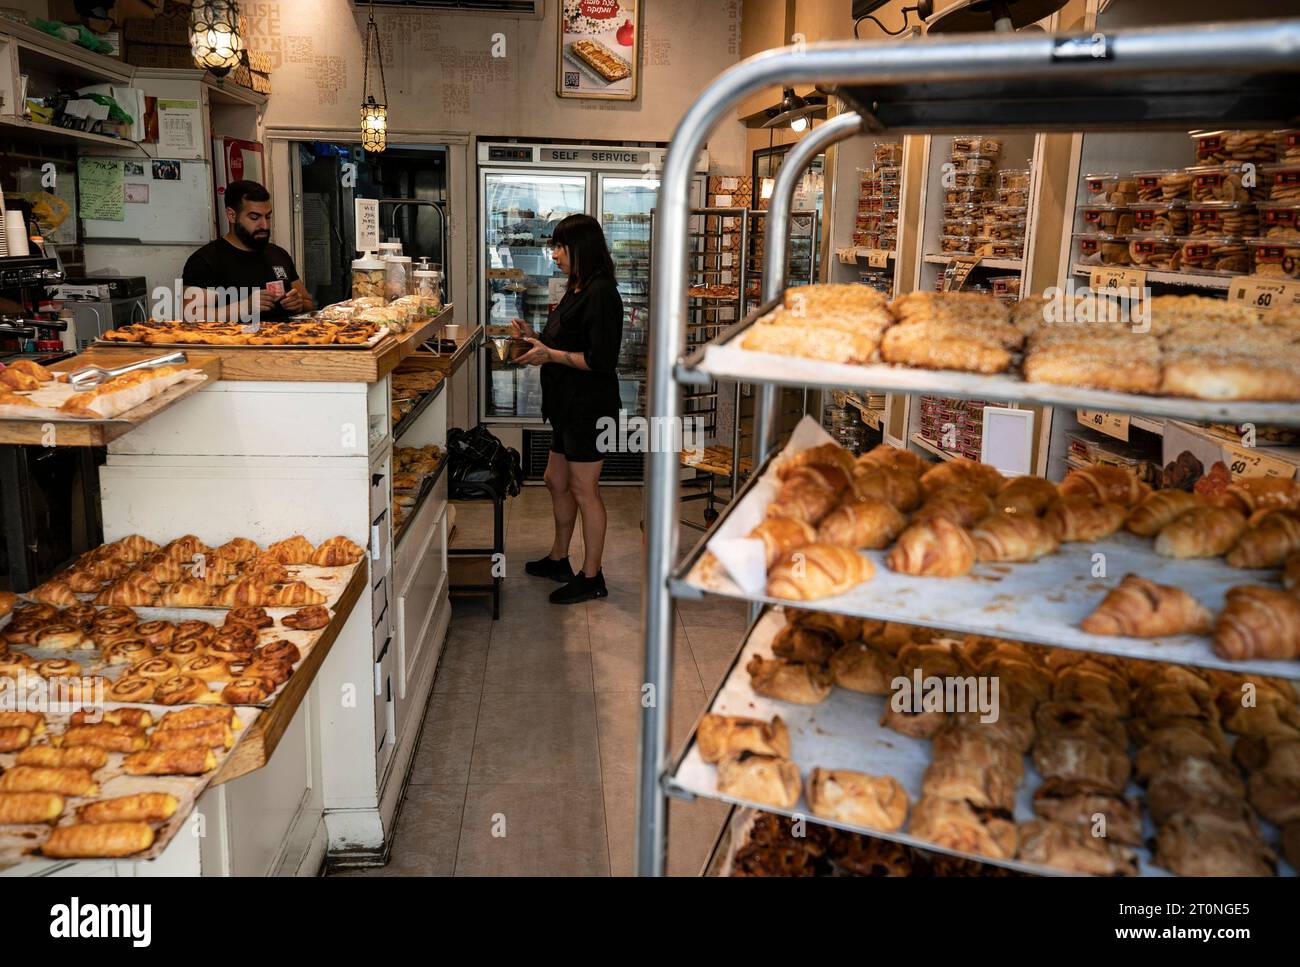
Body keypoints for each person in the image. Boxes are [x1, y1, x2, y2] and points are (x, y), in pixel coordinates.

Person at [512, 213, 623, 605]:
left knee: (583, 488)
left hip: (589, 408)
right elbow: (564, 341)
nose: (553, 253)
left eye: (560, 246)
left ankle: (592, 576)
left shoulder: (602, 293)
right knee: (555, 480)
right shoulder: (579, 288)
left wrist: (549, 355)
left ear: (581, 248)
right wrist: (534, 338)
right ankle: (560, 558)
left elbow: (600, 360)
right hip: (565, 405)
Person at [182, 180, 314, 324]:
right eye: (254, 218)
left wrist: (299, 304)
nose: (264, 225)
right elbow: (191, 314)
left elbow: (309, 303)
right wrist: (244, 307)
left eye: (268, 216)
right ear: (232, 215)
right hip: (234, 344)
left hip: (284, 341)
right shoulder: (206, 260)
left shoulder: (278, 254)